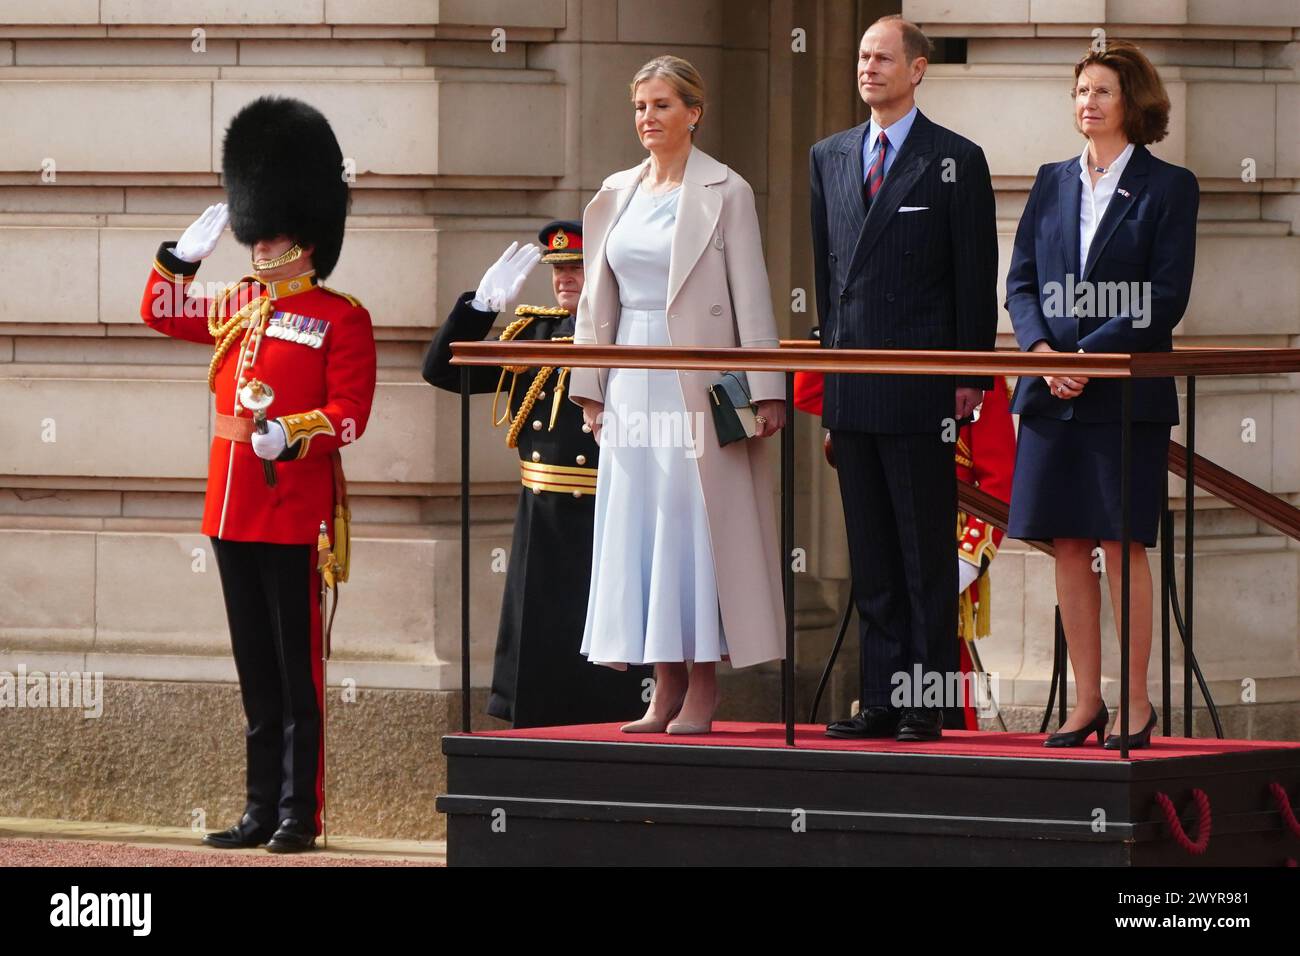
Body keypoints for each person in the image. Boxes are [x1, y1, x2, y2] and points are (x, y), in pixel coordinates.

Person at [140, 96, 376, 851]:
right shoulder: (237, 302)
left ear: (303, 236)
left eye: (269, 230)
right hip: (231, 510)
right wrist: (181, 258)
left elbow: (349, 414)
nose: (259, 242)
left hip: (292, 509)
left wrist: (289, 434)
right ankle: (256, 807)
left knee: (298, 677)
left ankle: (299, 813)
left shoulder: (341, 317)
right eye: (256, 227)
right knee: (256, 676)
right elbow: (160, 309)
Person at [568, 54, 786, 735]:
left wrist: (767, 388)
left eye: (663, 105)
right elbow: (593, 303)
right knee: (642, 525)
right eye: (640, 107)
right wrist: (590, 388)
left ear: (694, 112)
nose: (648, 118)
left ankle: (702, 687)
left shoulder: (728, 190)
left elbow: (751, 294)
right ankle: (659, 688)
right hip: (630, 378)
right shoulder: (616, 191)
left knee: (694, 526)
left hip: (695, 379)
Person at [809, 15, 998, 742]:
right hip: (854, 381)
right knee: (873, 555)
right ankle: (882, 699)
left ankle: (929, 700)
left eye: (883, 58)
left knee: (924, 555)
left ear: (917, 69)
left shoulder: (956, 158)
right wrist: (830, 378)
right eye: (861, 56)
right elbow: (829, 281)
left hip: (923, 385)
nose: (868, 68)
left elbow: (973, 275)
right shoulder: (829, 156)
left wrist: (968, 375)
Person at [1005, 40, 1198, 750]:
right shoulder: (1052, 179)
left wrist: (1089, 355)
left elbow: (1164, 297)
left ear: (1133, 104)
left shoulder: (1169, 187)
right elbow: (1020, 279)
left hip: (1122, 390)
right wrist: (1043, 352)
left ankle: (1136, 703)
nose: (1087, 103)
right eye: (1080, 91)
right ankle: (1086, 703)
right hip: (1051, 386)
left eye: (1102, 93)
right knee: (1067, 542)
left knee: (1121, 543)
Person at [421, 221, 647, 727]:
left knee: (606, 648)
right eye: (559, 270)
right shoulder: (535, 332)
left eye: (577, 268)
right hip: (541, 513)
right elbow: (442, 370)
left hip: (605, 509)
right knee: (538, 639)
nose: (565, 279)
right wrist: (478, 309)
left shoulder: (630, 333)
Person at [792, 364, 1016, 732]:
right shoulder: (869, 368)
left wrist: (966, 561)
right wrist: (835, 337)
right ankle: (884, 709)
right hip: (883, 530)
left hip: (946, 539)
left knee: (941, 666)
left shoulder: (974, 373)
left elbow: (999, 485)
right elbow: (807, 392)